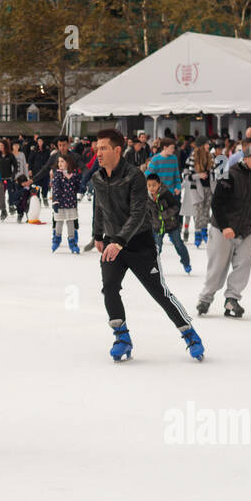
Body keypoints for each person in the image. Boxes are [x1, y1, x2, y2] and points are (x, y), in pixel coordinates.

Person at [91, 128, 204, 362]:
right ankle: (121, 337)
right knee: (109, 288)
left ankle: (189, 333)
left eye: (103, 148)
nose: (98, 152)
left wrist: (120, 241)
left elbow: (138, 212)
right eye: (97, 147)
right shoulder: (98, 177)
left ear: (117, 150)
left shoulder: (135, 176)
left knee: (159, 293)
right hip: (113, 243)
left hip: (139, 244)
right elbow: (99, 208)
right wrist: (98, 235)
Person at [198, 143, 251, 318]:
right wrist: (225, 226)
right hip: (222, 229)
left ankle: (232, 298)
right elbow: (217, 203)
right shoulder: (230, 175)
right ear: (245, 159)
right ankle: (206, 298)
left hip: (246, 230)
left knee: (244, 265)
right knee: (218, 266)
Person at [148, 173, 192, 274]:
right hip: (158, 226)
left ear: (159, 184)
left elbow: (176, 207)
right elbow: (147, 213)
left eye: (154, 185)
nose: (151, 188)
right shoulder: (147, 198)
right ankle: (154, 266)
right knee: (156, 247)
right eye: (149, 185)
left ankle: (186, 263)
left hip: (171, 225)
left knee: (178, 244)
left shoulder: (165, 194)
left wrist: (164, 214)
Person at [181, 141, 213, 248]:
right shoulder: (191, 159)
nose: (208, 146)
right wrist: (199, 175)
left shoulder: (211, 157)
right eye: (206, 144)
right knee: (198, 212)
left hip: (209, 188)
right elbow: (186, 176)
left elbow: (216, 173)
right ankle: (198, 234)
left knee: (205, 212)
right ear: (201, 146)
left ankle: (204, 232)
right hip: (196, 189)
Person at [50, 153, 82, 253]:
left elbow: (77, 186)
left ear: (68, 163)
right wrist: (55, 201)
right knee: (59, 221)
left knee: (70, 222)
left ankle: (72, 241)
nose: (60, 163)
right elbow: (55, 189)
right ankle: (57, 238)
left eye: (62, 161)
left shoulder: (74, 174)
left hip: (71, 203)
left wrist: (81, 188)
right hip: (60, 203)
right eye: (59, 161)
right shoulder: (58, 174)